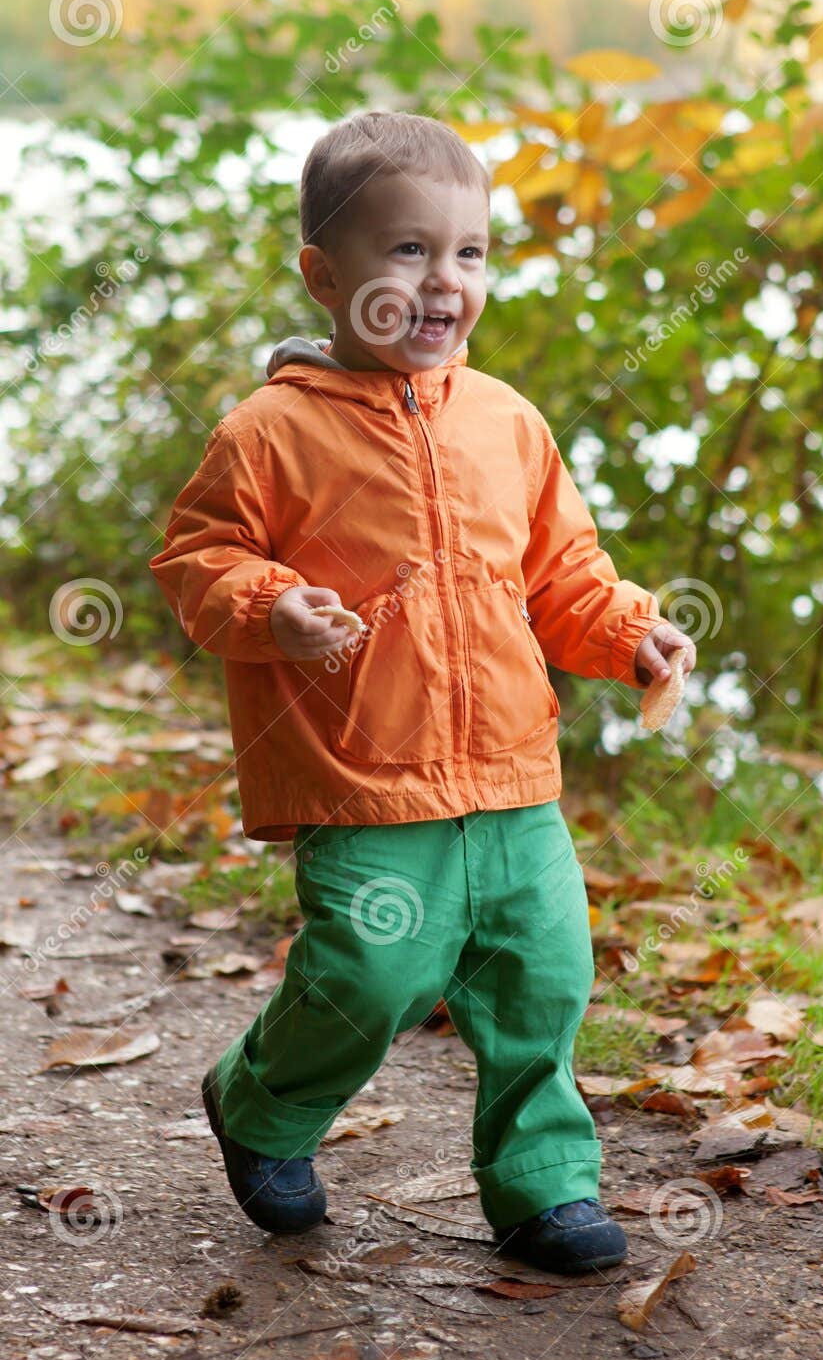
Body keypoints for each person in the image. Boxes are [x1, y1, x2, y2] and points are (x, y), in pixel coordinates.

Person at [149, 109, 697, 1274]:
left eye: (469, 252)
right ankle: (260, 1103)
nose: (443, 280)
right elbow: (197, 559)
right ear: (323, 275)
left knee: (542, 975)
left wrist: (628, 633)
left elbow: (561, 574)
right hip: (362, 771)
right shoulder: (270, 433)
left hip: (510, 770)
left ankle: (543, 1184)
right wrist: (270, 606)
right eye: (407, 250)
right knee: (372, 974)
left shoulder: (506, 423)